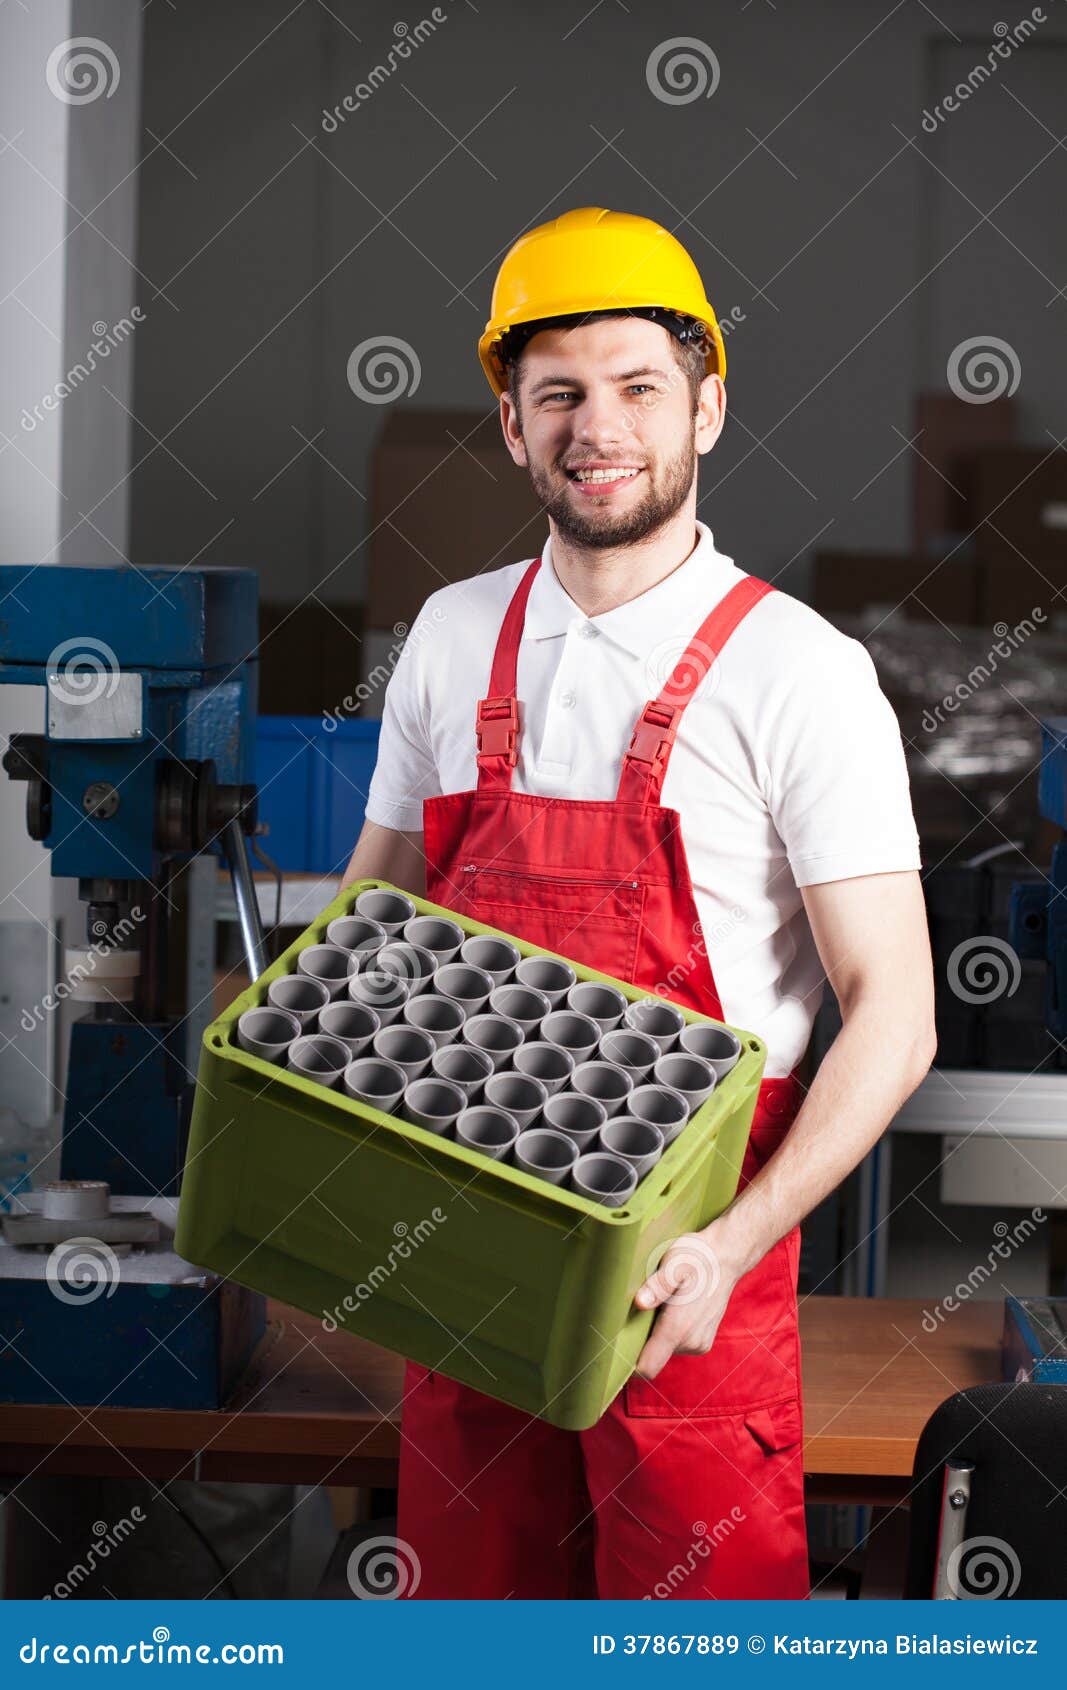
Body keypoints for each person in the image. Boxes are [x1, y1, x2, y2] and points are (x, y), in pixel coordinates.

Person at [342, 206, 936, 1599]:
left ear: (707, 409)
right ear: (511, 422)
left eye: (636, 388)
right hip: (470, 1248)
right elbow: (374, 929)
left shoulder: (800, 671)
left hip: (697, 1274)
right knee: (473, 1632)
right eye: (557, 393)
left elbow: (897, 1014)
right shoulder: (450, 635)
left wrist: (732, 1245)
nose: (595, 426)